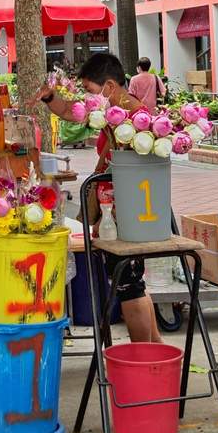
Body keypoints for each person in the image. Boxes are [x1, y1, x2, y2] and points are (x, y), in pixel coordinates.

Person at [37, 53, 163, 345]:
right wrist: (50, 97)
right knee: (133, 283)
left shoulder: (133, 115)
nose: (89, 98)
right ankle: (155, 349)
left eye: (91, 91)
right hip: (122, 207)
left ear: (108, 85)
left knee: (129, 286)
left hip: (129, 210)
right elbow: (71, 111)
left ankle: (143, 356)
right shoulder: (115, 107)